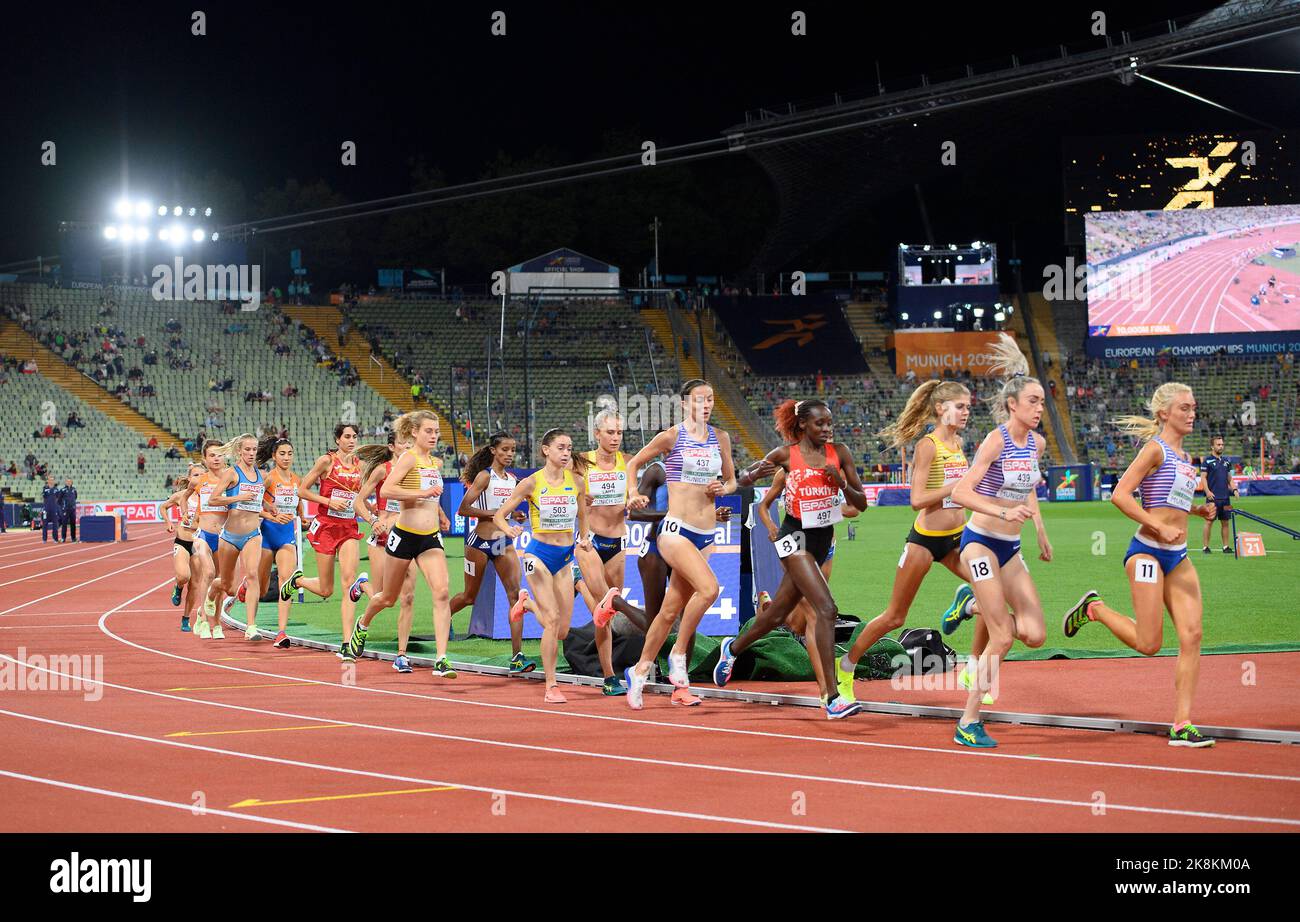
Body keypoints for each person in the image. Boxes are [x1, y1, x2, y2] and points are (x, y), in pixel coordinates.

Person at [1062, 384, 1217, 747]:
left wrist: (1195, 512)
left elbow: (1171, 502)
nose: (1191, 413)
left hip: (1176, 557)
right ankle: (1095, 609)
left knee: (1192, 636)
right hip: (1146, 551)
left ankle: (1182, 723)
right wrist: (1158, 525)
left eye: (1194, 407)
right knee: (1149, 643)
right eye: (1184, 408)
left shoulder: (1186, 458)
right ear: (1164, 413)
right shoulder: (1155, 450)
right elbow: (1120, 494)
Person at [838, 379, 990, 706]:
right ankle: (846, 668)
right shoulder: (928, 445)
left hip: (957, 540)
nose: (966, 412)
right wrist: (955, 488)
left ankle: (975, 669)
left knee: (993, 596)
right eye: (960, 406)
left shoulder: (959, 442)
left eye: (967, 406)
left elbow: (963, 492)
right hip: (925, 541)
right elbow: (917, 499)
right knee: (895, 616)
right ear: (940, 408)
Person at [713, 399, 868, 718]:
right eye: (819, 424)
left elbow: (861, 503)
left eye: (829, 423)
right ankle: (832, 698)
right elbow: (745, 479)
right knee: (826, 608)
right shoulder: (786, 456)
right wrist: (745, 475)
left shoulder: (839, 454)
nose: (826, 429)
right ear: (802, 426)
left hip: (823, 539)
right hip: (792, 538)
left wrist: (839, 482)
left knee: (776, 615)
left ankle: (732, 648)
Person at [948, 334, 1051, 748]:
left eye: (1042, 402)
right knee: (1004, 636)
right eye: (1033, 402)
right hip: (980, 543)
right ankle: (968, 720)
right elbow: (961, 492)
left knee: (1035, 634)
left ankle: (969, 604)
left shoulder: (1037, 443)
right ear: (1013, 405)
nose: (1040, 409)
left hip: (1012, 548)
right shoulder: (996, 440)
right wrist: (1002, 512)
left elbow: (1027, 485)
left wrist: (1040, 527)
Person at [621, 379, 738, 710]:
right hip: (675, 530)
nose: (706, 404)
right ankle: (678, 655)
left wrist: (723, 489)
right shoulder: (672, 436)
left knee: (670, 611)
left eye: (711, 399)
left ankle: (640, 670)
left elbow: (731, 479)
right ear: (685, 404)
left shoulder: (721, 438)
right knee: (710, 589)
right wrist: (633, 493)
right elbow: (633, 463)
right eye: (700, 399)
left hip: (706, 534)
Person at [344, 411, 456, 678]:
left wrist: (439, 514)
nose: (434, 436)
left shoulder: (433, 463)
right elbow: (387, 491)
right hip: (404, 536)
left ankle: (441, 659)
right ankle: (363, 623)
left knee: (441, 592)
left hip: (429, 538)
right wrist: (421, 493)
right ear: (415, 432)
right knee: (387, 598)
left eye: (436, 431)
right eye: (428, 431)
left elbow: (433, 496)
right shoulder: (408, 458)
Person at [492, 429, 590, 703]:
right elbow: (500, 515)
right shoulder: (531, 483)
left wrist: (586, 539)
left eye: (569, 448)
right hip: (538, 555)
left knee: (562, 630)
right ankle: (551, 685)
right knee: (552, 621)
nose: (566, 453)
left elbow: (584, 515)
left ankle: (526, 604)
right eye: (560, 447)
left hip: (565, 557)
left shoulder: (578, 482)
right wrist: (508, 529)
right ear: (545, 450)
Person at [449, 431, 537, 675]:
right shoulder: (484, 477)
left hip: (502, 543)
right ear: (493, 451)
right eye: (505, 450)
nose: (509, 454)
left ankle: (517, 656)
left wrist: (512, 515)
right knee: (469, 597)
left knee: (515, 597)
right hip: (478, 543)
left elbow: (506, 511)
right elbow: (464, 509)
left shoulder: (512, 479)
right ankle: (443, 618)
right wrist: (497, 513)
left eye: (512, 450)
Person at [287, 423, 368, 644]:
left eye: (355, 437)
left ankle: (346, 642)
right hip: (326, 527)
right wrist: (328, 501)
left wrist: (372, 512)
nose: (352, 441)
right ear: (337, 440)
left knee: (349, 582)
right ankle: (299, 581)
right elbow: (302, 490)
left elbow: (358, 497)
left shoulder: (360, 466)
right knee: (325, 590)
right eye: (347, 437)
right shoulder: (327, 461)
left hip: (349, 527)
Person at [352, 434, 418, 672]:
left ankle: (401, 655)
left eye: (411, 443)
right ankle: (362, 614)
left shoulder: (417, 469)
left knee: (408, 597)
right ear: (392, 447)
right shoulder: (383, 470)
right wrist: (372, 520)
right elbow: (358, 502)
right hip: (382, 538)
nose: (408, 447)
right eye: (403, 443)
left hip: (409, 536)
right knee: (382, 597)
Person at [201, 434, 266, 641]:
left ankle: (251, 627)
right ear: (239, 451)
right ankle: (213, 590)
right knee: (228, 587)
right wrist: (238, 497)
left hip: (253, 534)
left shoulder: (260, 475)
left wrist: (271, 508)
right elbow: (213, 499)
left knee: (253, 575)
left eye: (254, 449)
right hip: (230, 536)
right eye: (247, 450)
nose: (251, 453)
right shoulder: (231, 473)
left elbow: (257, 504)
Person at [257, 437, 305, 649]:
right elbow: (255, 500)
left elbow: (299, 500)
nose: (286, 457)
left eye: (289, 453)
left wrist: (302, 517)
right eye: (282, 454)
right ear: (274, 456)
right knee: (261, 588)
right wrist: (271, 516)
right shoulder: (268, 478)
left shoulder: (297, 479)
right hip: (267, 535)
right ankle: (245, 588)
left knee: (287, 581)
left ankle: (281, 632)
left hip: (287, 536)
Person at [160, 463, 208, 631]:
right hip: (182, 541)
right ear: (189, 478)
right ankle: (178, 587)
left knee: (195, 584)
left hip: (199, 542)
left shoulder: (208, 496)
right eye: (195, 475)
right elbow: (163, 507)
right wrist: (168, 522)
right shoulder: (182, 495)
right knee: (183, 576)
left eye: (202, 475)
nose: (199, 478)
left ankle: (186, 619)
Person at [1199, 435, 1238, 553]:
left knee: (1226, 522)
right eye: (1218, 444)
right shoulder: (1207, 461)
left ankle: (1226, 546)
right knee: (1209, 521)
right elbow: (1203, 478)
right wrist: (1207, 492)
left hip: (1226, 499)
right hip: (1213, 498)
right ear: (1212, 446)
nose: (1221, 446)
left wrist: (1234, 489)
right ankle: (1205, 547)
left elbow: (1229, 478)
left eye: (1222, 444)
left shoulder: (1226, 461)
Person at [41, 475, 63, 543]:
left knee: (55, 525)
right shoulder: (45, 488)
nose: (51, 481)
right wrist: (44, 508)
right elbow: (43, 498)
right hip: (46, 509)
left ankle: (55, 539)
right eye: (50, 480)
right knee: (44, 525)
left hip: (54, 509)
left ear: (54, 481)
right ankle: (44, 539)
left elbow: (58, 499)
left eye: (52, 480)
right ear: (48, 481)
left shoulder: (56, 489)